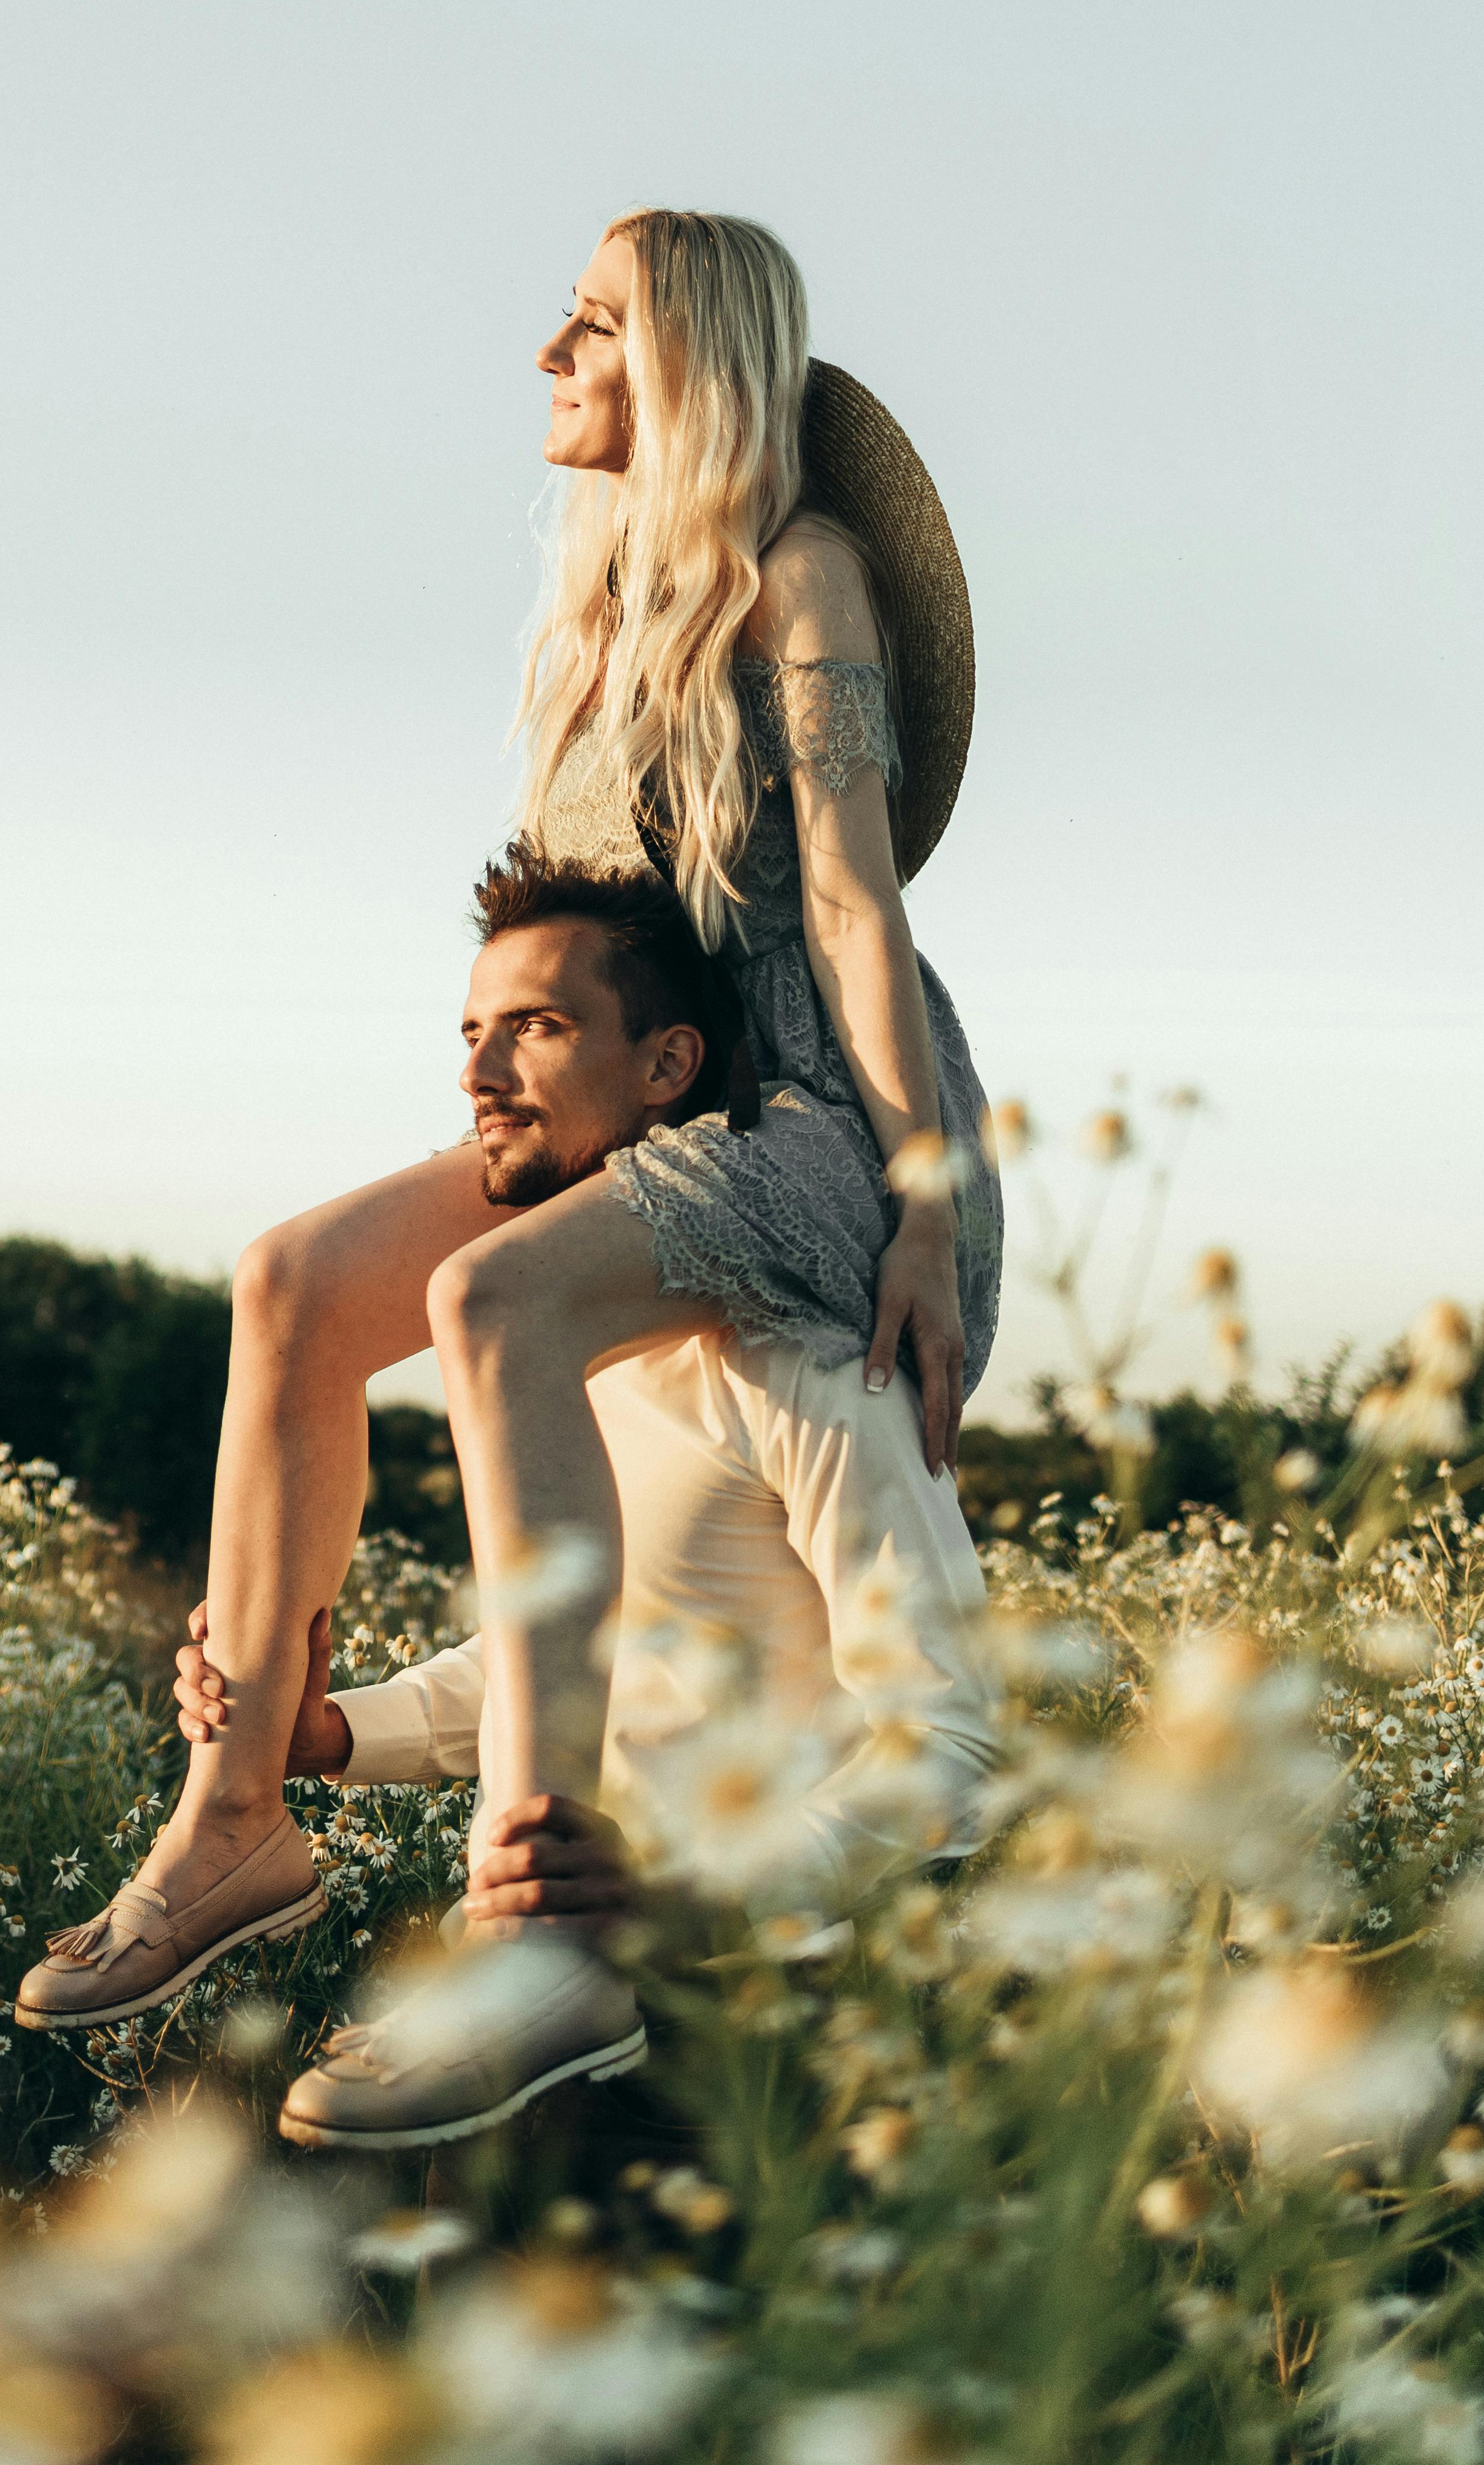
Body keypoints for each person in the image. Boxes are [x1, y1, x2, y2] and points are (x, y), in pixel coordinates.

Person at [15, 208, 1002, 2138]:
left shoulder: (798, 574)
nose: (544, 354)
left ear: (692, 359)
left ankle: (533, 1924)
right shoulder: (589, 604)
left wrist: (931, 1192)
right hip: (638, 1099)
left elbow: (845, 895)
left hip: (803, 1111)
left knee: (490, 1298)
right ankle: (233, 1820)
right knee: (293, 1280)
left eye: (589, 324)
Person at [166, 852, 1004, 2152]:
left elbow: (949, 1746)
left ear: (669, 1068)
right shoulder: (557, 1358)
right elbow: (561, 1659)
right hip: (500, 2026)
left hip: (751, 2036)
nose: (476, 1078)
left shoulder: (812, 1369)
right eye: (471, 1033)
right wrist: (333, 1737)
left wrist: (685, 1893)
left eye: (538, 1031)